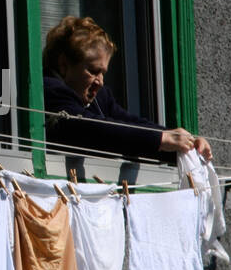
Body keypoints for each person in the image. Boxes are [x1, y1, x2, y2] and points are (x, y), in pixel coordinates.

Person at [42, 15, 212, 164]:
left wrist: (185, 144)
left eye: (103, 73)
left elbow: (129, 123)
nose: (100, 82)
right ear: (64, 65)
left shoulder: (101, 98)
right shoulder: (50, 89)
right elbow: (92, 129)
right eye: (93, 71)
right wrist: (161, 138)